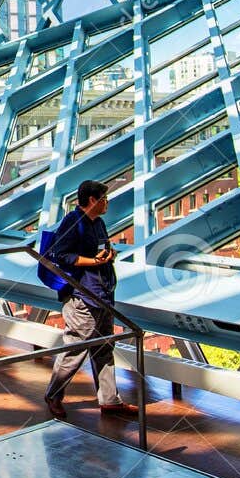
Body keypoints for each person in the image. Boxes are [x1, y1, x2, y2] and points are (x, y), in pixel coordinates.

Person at [41, 180, 138, 420]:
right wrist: (95, 261)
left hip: (102, 293)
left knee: (104, 347)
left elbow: (100, 250)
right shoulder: (73, 222)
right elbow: (62, 255)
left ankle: (109, 400)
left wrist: (108, 255)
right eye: (104, 198)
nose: (107, 203)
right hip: (82, 297)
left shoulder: (99, 223)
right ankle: (53, 394)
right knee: (76, 347)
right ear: (92, 200)